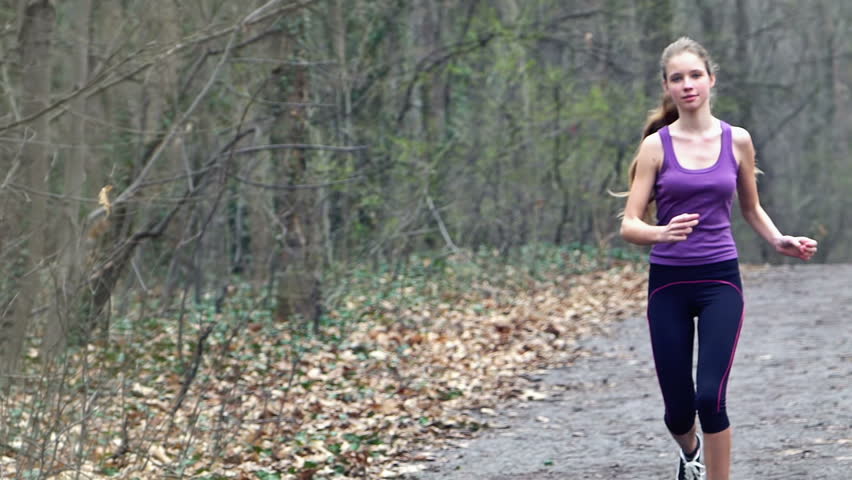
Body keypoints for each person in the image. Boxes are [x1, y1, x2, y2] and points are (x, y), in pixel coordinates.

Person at [618, 37, 818, 480]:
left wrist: (779, 239)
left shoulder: (737, 140)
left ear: (711, 79)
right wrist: (661, 233)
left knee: (710, 397)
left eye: (695, 75)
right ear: (667, 87)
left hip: (720, 281)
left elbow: (751, 208)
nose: (687, 84)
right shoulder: (655, 147)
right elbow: (629, 224)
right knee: (678, 410)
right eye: (677, 78)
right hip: (668, 283)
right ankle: (690, 454)